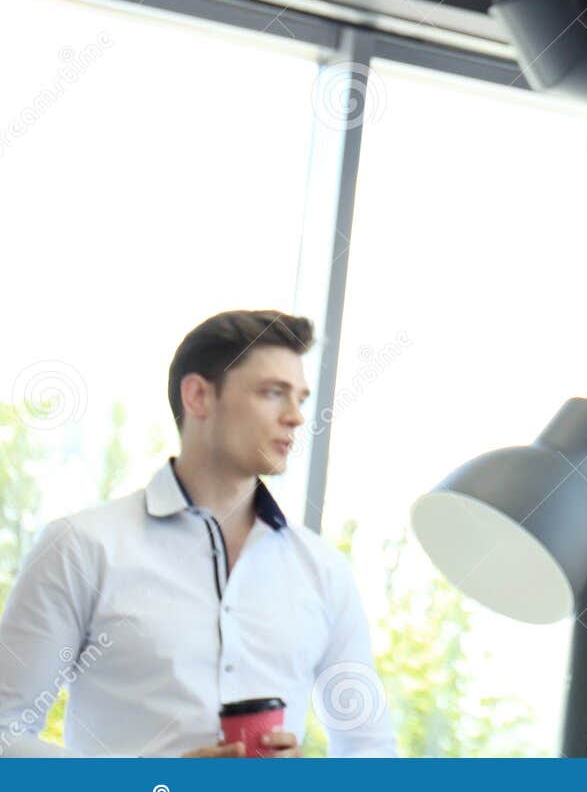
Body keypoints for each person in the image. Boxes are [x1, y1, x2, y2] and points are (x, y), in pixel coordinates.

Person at [0, 310, 396, 757]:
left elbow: (371, 753)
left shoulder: (324, 572)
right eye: (273, 393)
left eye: (301, 399)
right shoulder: (80, 548)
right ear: (198, 396)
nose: (296, 417)